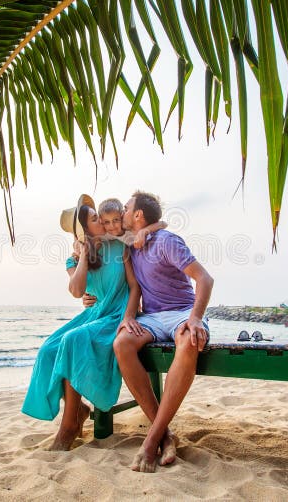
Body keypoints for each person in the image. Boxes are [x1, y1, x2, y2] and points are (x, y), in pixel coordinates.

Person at [21, 195, 142, 450]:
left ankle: (69, 427)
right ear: (86, 229)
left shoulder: (121, 246)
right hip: (94, 314)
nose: (102, 221)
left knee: (72, 340)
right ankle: (77, 412)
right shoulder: (74, 258)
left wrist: (129, 316)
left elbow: (134, 286)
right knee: (48, 349)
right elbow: (77, 291)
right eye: (95, 219)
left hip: (117, 313)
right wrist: (85, 256)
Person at [113, 191, 214, 473]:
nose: (121, 211)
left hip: (183, 311)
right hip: (153, 318)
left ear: (138, 215)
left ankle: (151, 441)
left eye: (126, 207)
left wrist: (195, 318)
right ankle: (166, 434)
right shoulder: (130, 245)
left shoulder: (167, 242)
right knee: (121, 343)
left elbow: (204, 278)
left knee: (190, 340)